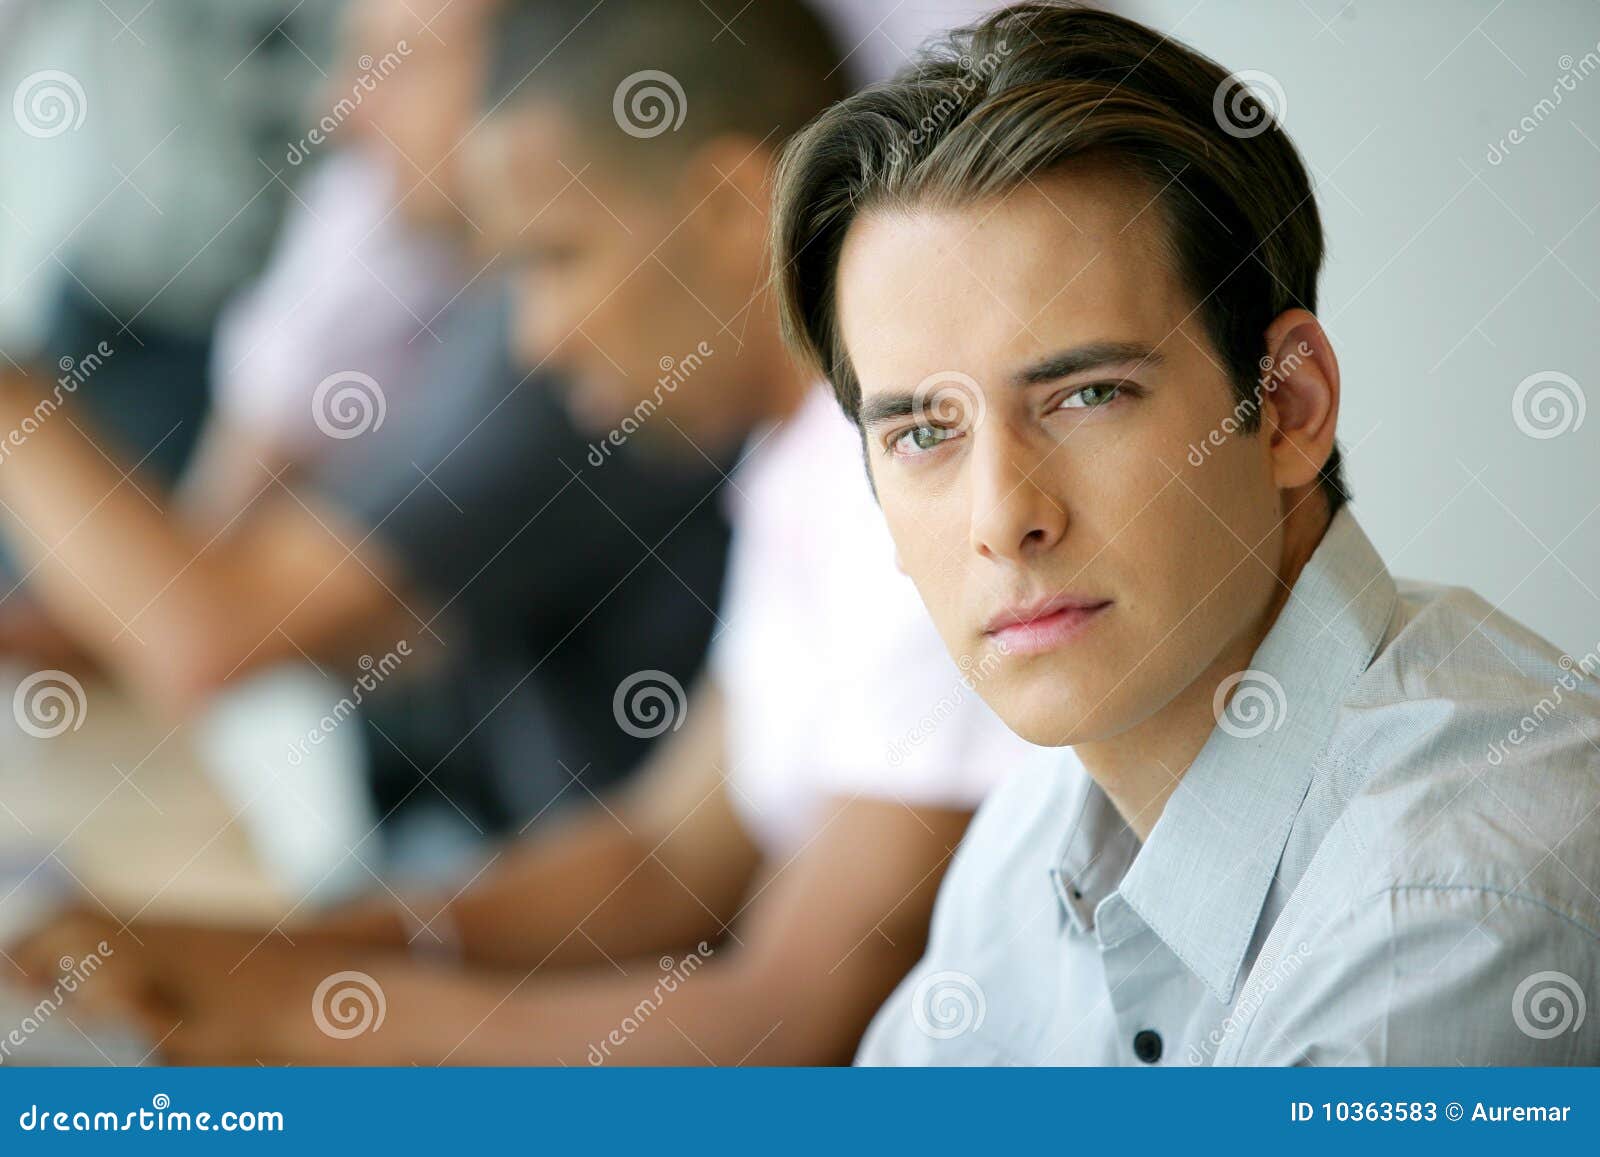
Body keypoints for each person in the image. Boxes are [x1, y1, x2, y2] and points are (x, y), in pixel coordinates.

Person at [7, 0, 1044, 1065]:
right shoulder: (799, 462)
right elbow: (664, 856)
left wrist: (285, 1010)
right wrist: (265, 953)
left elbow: (777, 1021)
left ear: (733, 210)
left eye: (556, 255)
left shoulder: (909, 492)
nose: (539, 336)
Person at [769, 1, 1600, 1066]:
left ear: (1289, 407)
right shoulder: (1030, 840)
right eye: (924, 430)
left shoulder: (1451, 908)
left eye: (1085, 395)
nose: (1002, 518)